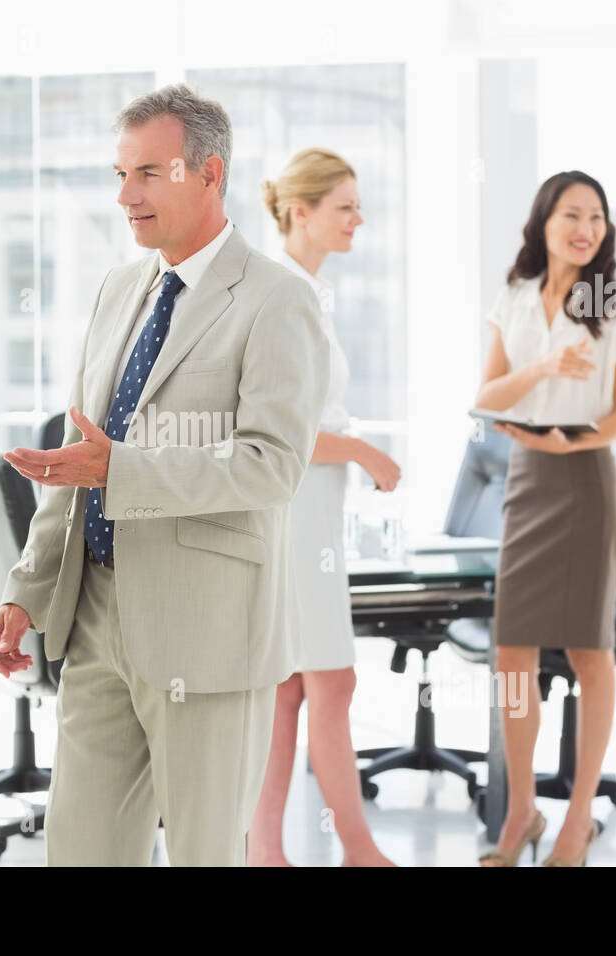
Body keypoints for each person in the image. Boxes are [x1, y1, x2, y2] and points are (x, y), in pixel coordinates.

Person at [0, 84, 328, 866]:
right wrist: (27, 587)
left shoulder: (278, 301)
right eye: (118, 174)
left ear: (209, 174)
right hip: (98, 614)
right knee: (81, 852)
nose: (125, 196)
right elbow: (80, 459)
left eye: (147, 173)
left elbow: (271, 465)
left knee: (205, 853)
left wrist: (126, 469)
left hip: (208, 631)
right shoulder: (118, 290)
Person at [475, 171, 616, 867]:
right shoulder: (514, 294)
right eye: (573, 214)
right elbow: (485, 394)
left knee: (588, 653)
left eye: (597, 216)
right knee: (512, 650)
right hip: (526, 478)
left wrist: (565, 440)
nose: (586, 227)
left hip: (585, 478)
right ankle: (520, 812)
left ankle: (577, 822)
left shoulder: (613, 300)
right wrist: (543, 368)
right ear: (544, 221)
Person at [247, 148, 399, 867]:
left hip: (307, 514)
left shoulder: (300, 288)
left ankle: (267, 850)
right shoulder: (287, 292)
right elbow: (285, 432)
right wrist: (366, 454)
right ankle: (357, 848)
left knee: (291, 688)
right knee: (328, 679)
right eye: (345, 207)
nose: (357, 220)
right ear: (300, 213)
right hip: (299, 512)